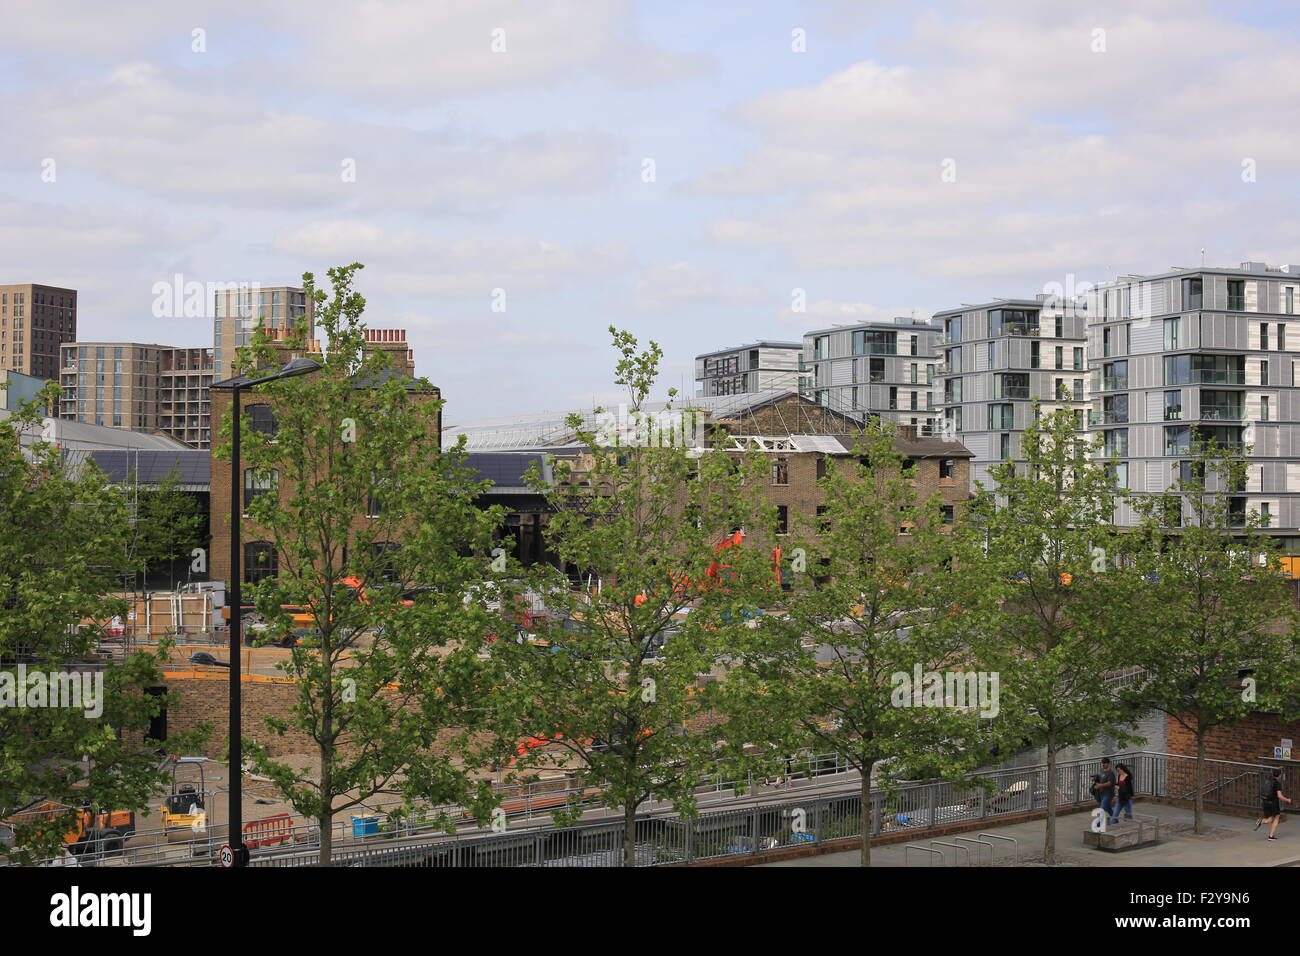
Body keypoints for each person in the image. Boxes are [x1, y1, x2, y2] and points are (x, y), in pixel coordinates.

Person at [1256, 768, 1291, 840]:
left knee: (1270, 819)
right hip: (1273, 804)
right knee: (1276, 818)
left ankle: (1262, 822)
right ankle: (1270, 836)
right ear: (1279, 775)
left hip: (1265, 802)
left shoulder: (1267, 781)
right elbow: (1279, 796)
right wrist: (1287, 800)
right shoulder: (1277, 784)